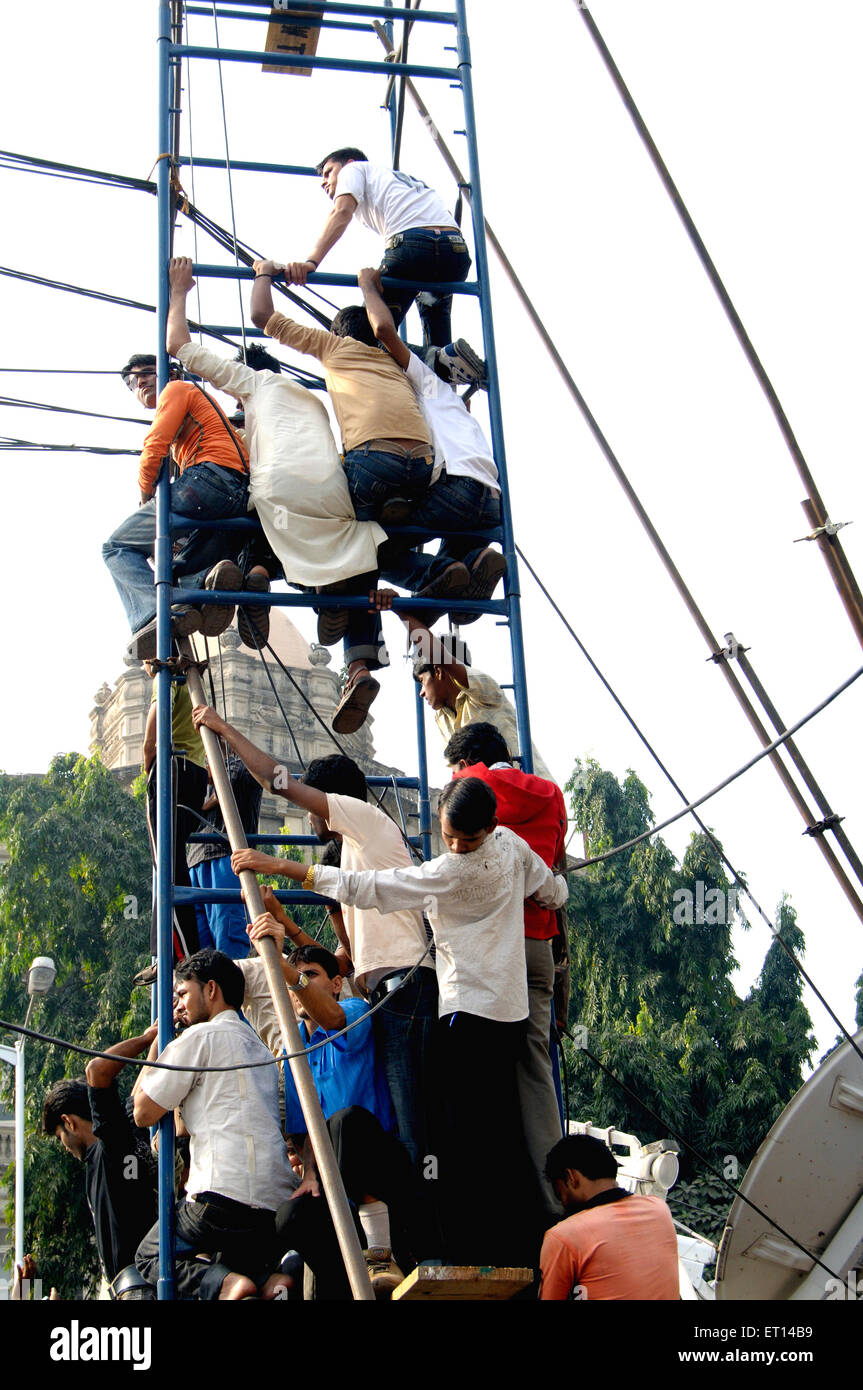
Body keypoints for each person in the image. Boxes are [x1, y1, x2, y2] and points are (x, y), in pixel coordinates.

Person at [236, 775, 569, 1267]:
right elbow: (554, 891)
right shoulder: (513, 847)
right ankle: (510, 1244)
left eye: (466, 839)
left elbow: (368, 887)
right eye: (450, 837)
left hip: (464, 1016)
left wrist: (284, 867)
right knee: (500, 1129)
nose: (456, 846)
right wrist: (548, 892)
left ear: (488, 827)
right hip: (509, 1015)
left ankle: (458, 1250)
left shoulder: (446, 872)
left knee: (454, 1135)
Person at [191, 703, 438, 1172]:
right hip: (384, 993)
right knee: (393, 1120)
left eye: (313, 804)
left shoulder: (365, 821)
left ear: (330, 799)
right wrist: (289, 927)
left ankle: (431, 1243)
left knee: (412, 1125)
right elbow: (343, 961)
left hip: (405, 990)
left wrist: (223, 728)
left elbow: (278, 780)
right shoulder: (354, 853)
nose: (307, 816)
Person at [251, 261, 470, 733]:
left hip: (373, 465)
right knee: (381, 547)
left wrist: (263, 271)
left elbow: (262, 316)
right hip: (426, 469)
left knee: (343, 536)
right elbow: (389, 330)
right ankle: (437, 574)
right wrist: (371, 288)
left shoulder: (334, 348)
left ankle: (343, 623)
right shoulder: (396, 358)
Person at [165, 257, 387, 653]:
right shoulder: (311, 397)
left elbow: (178, 346)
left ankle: (255, 574)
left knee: (250, 516)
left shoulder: (252, 384)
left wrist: (179, 291)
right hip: (332, 493)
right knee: (306, 527)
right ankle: (324, 586)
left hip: (278, 493)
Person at [444, 721, 567, 1208]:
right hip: (540, 942)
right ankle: (556, 1193)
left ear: (468, 761)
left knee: (480, 1067)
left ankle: (492, 1200)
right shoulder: (552, 794)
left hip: (492, 949)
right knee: (535, 1068)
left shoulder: (470, 788)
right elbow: (552, 862)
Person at [133, 949, 296, 1300]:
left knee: (150, 1254)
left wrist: (155, 1047)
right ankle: (268, 1282)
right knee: (238, 1259)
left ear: (210, 990)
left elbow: (143, 1111)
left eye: (182, 994)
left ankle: (227, 1285)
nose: (178, 1007)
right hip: (272, 1203)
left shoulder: (199, 1038)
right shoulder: (262, 1050)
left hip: (219, 1198)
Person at [356, 266, 504, 615]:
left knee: (375, 552)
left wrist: (367, 288)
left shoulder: (420, 381)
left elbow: (383, 331)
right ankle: (473, 564)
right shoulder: (453, 402)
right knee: (455, 576)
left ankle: (442, 580)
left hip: (456, 491)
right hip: (490, 500)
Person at [103, 354, 252, 659]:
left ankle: (150, 616)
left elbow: (154, 446)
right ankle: (200, 591)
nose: (140, 382)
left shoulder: (176, 390)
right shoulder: (203, 409)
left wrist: (145, 495)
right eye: (133, 381)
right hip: (237, 496)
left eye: (146, 373)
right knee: (177, 566)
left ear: (169, 373)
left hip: (207, 481)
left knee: (117, 546)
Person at [282, 146, 480, 368]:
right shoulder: (395, 180)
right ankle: (447, 375)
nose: (323, 182)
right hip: (454, 254)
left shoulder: (354, 169)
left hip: (413, 245)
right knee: (435, 316)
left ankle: (435, 361)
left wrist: (312, 261)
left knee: (364, 333)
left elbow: (342, 212)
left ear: (347, 163)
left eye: (329, 172)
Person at [42, 1024, 159, 1297]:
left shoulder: (108, 1144)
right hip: (138, 1283)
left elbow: (96, 1070)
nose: (66, 1148)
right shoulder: (126, 1130)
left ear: (68, 1122)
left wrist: (146, 1038)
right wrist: (158, 1035)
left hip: (138, 1288)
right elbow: (147, 1077)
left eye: (61, 1137)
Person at [408, 620, 554, 780]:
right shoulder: (442, 718)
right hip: (495, 796)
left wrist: (401, 612)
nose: (421, 693)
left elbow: (440, 656)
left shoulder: (483, 690)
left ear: (438, 671)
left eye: (422, 681)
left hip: (528, 788)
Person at [539, 1135, 680, 1301]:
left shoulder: (563, 1236)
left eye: (558, 1192)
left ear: (570, 1177)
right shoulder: (659, 1210)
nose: (561, 1202)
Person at [138, 657, 209, 974]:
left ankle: (178, 952)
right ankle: (170, 949)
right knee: (172, 861)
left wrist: (147, 767)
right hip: (194, 774)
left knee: (165, 865)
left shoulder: (164, 680)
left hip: (170, 772)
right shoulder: (193, 680)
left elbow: (152, 738)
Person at [186, 751, 262, 960]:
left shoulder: (238, 763)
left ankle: (232, 985)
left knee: (228, 930)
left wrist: (199, 803)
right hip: (197, 859)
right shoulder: (202, 775)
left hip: (226, 855)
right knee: (200, 941)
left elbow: (225, 787)